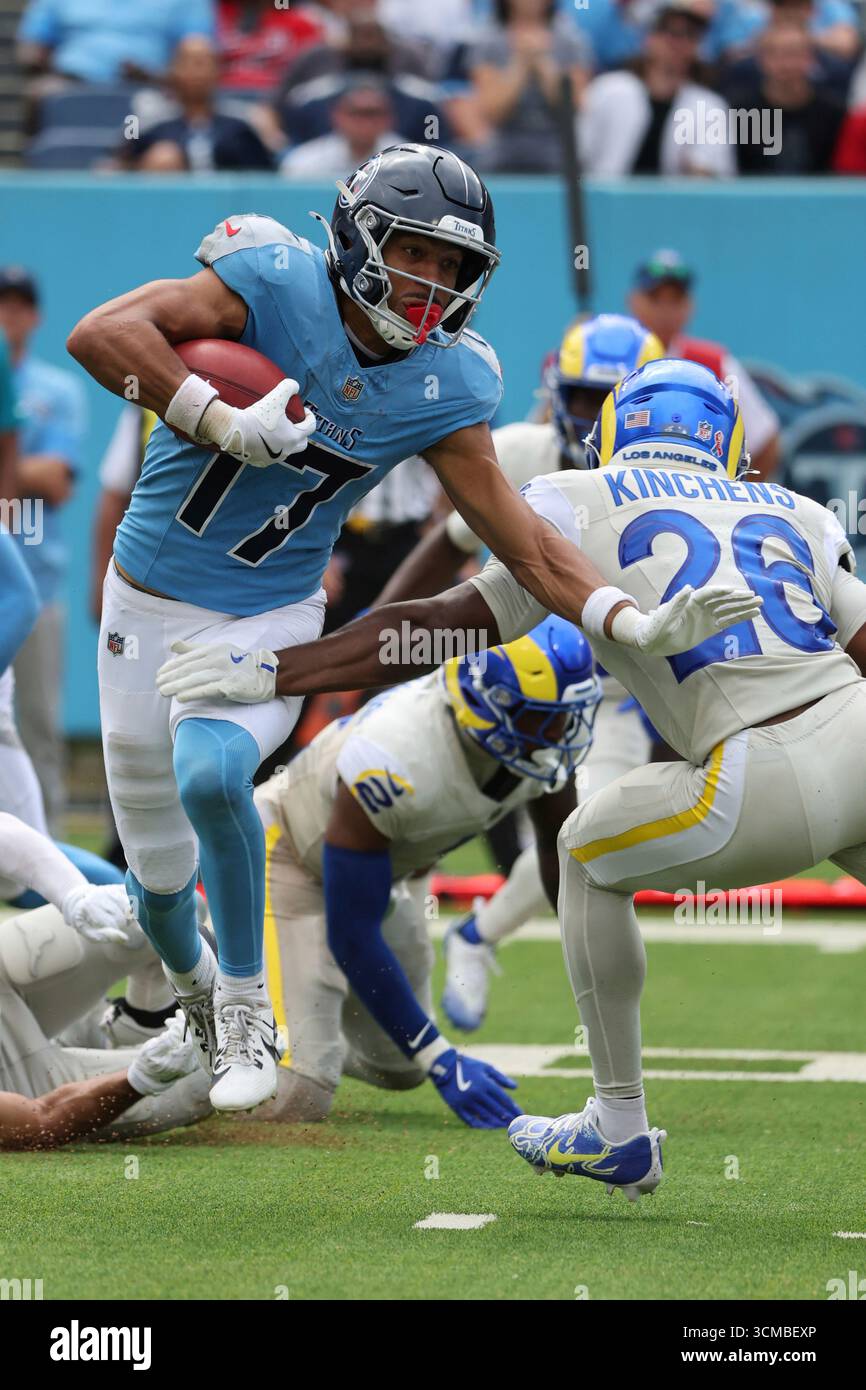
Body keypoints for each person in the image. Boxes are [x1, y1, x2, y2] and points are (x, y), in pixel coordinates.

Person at [70, 143, 750, 1113]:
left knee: (213, 773)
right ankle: (191, 1000)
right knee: (156, 875)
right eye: (415, 252)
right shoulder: (267, 275)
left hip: (272, 606)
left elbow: (524, 549)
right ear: (355, 236)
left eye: (452, 266)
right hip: (145, 600)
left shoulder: (451, 380)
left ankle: (242, 1006)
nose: (430, 283)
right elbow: (99, 335)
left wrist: (627, 619)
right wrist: (213, 418)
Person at [160, 359, 866, 1204]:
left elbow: (436, 628)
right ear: (729, 442)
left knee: (584, 852)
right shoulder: (801, 515)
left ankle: (619, 1127)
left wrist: (280, 668)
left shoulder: (575, 494)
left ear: (617, 427)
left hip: (760, 769)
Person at [372, 313, 665, 1027]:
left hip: (615, 688)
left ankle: (478, 935)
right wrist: (380, 646)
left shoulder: (669, 477)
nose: (595, 416)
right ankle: (375, 966)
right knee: (413, 817)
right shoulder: (524, 452)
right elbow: (446, 546)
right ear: (555, 391)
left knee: (592, 836)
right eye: (584, 396)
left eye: (613, 398)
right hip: (501, 677)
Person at [255, 617, 599, 1125]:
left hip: (384, 875)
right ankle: (178, 1039)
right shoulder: (397, 752)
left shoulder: (537, 742)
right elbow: (353, 934)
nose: (558, 734)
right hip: (288, 856)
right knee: (297, 1091)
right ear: (491, 704)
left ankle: (290, 1033)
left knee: (399, 1065)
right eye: (542, 718)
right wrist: (442, 1060)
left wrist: (597, 965)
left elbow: (556, 855)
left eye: (565, 716)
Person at [0, 812, 211, 1148]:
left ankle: (137, 1023)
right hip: (14, 1077)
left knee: (151, 918)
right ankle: (146, 1048)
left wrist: (75, 895)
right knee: (211, 1070)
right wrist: (142, 1079)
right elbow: (43, 1117)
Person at [0, 267, 86, 831]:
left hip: (29, 578)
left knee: (35, 726)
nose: (8, 317)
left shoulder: (55, 389)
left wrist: (15, 469)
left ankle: (47, 868)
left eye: (17, 306)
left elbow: (57, 481)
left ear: (34, 316)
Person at [628, 249, 781, 480]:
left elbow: (766, 439)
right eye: (655, 299)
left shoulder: (715, 363)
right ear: (634, 301)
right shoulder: (613, 357)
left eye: (675, 300)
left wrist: (738, 495)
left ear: (689, 306)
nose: (665, 310)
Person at [579, 1, 735, 177]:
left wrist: (700, 173)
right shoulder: (608, 90)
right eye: (668, 31)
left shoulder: (709, 106)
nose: (677, 43)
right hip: (604, 201)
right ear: (648, 37)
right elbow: (578, 156)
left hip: (673, 203)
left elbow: (719, 178)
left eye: (689, 34)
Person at [123, 37, 274, 173]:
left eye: (203, 63)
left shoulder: (244, 122)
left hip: (228, 202)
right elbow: (120, 167)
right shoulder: (147, 121)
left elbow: (266, 173)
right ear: (173, 71)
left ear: (219, 71)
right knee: (164, 156)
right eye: (188, 63)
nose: (196, 72)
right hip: (170, 202)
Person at [725, 23, 847, 175]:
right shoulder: (739, 112)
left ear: (811, 58)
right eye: (775, 54)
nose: (786, 64)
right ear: (760, 59)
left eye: (794, 54)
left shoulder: (835, 113)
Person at [280, 80, 403, 180]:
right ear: (336, 115)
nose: (365, 122)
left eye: (373, 113)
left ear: (390, 118)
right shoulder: (303, 163)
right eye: (356, 113)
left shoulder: (404, 160)